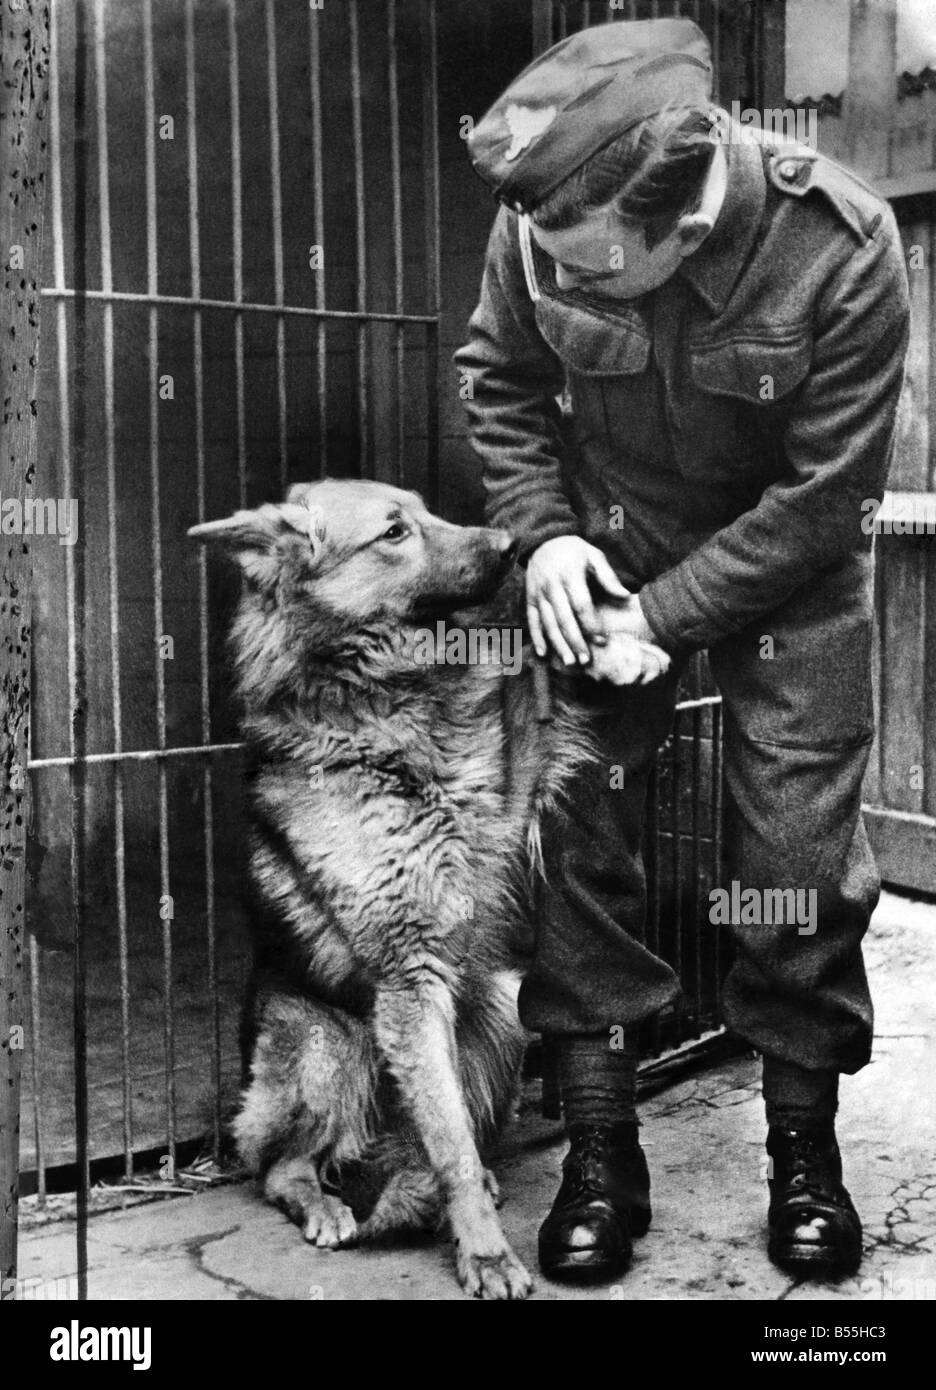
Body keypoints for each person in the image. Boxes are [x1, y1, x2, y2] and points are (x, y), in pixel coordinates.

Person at [455, 17, 910, 1284]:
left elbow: (828, 497)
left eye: (593, 269)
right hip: (600, 557)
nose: (564, 282)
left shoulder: (845, 241)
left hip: (791, 574)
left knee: (796, 859)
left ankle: (804, 1154)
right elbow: (497, 379)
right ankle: (604, 1147)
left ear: (681, 221)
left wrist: (666, 620)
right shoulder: (547, 212)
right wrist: (542, 539)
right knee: (574, 834)